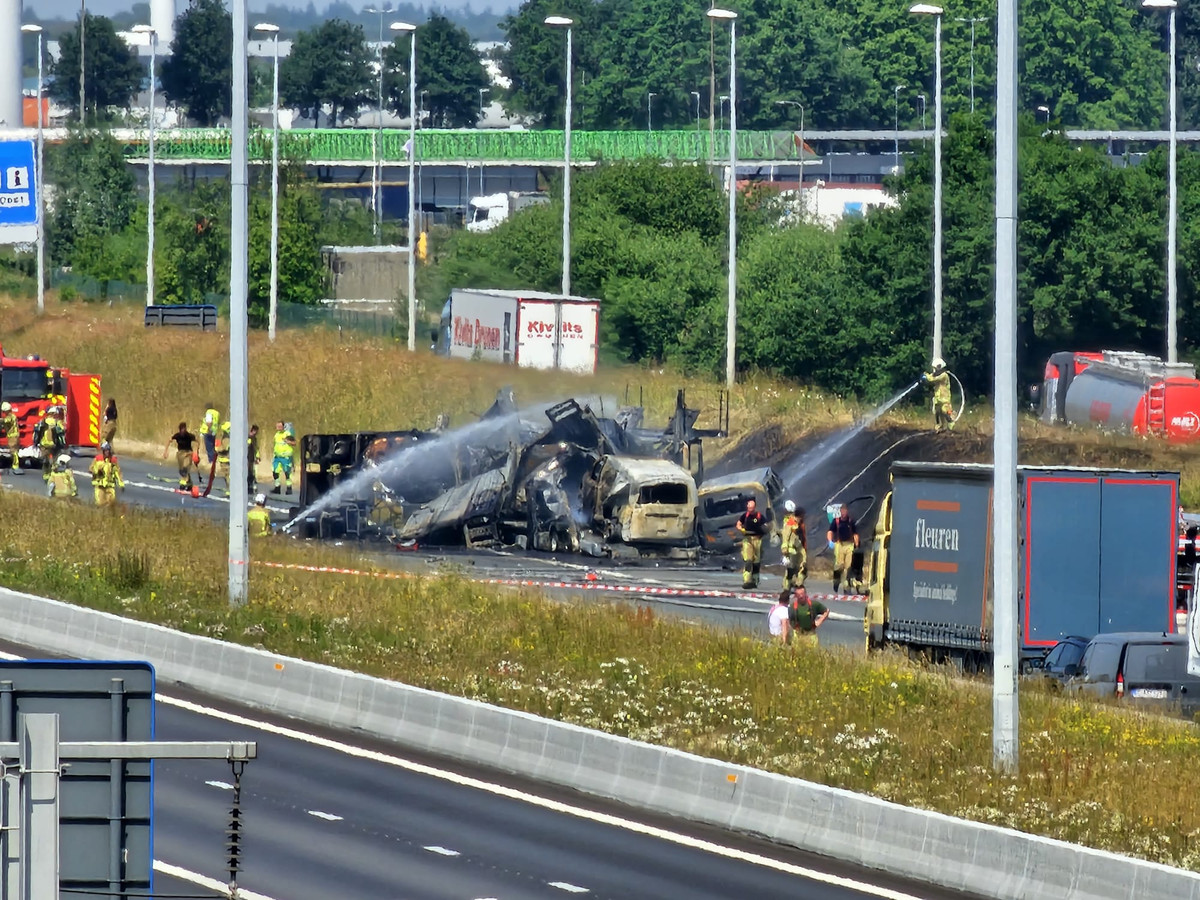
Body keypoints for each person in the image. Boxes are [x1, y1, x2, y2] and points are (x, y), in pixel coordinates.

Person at [827, 502, 860, 595]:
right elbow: (830, 532)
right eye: (842, 511)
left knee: (847, 567)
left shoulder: (851, 521)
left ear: (847, 511)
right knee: (839, 565)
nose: (843, 512)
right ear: (840, 511)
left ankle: (846, 587)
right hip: (839, 544)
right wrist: (830, 541)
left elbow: (855, 533)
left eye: (845, 510)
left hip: (849, 544)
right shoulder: (836, 521)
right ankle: (836, 581)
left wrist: (856, 544)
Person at [736, 498, 768, 589]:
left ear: (754, 508)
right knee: (748, 560)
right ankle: (747, 580)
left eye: (752, 508)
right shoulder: (744, 516)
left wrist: (765, 529)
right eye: (749, 508)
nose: (750, 510)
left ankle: (755, 580)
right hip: (747, 539)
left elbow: (766, 525)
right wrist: (741, 529)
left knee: (756, 561)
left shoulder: (759, 516)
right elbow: (738, 524)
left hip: (757, 539)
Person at [164, 421, 201, 497]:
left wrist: (196, 452)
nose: (183, 431)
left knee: (185, 468)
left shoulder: (189, 436)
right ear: (180, 429)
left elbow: (197, 442)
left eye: (184, 429)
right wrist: (165, 451)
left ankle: (183, 484)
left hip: (188, 453)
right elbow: (169, 440)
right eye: (182, 429)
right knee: (181, 470)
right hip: (180, 453)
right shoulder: (177, 436)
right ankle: (190, 484)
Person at [779, 500, 807, 591]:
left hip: (799, 548)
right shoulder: (790, 522)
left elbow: (802, 537)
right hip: (791, 549)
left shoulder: (800, 524)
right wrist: (784, 547)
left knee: (803, 568)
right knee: (791, 570)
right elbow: (786, 535)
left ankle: (798, 585)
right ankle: (787, 587)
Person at [921, 357, 954, 433]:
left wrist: (926, 376)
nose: (935, 370)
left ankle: (950, 423)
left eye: (936, 368)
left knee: (945, 410)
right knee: (937, 412)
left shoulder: (944, 375)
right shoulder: (937, 374)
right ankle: (940, 425)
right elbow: (932, 376)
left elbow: (932, 379)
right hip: (938, 397)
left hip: (945, 397)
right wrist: (926, 375)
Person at [89, 442, 125, 507]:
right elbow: (90, 469)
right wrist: (97, 471)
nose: (107, 452)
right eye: (105, 450)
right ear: (103, 451)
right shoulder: (98, 459)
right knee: (100, 503)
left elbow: (118, 473)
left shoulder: (113, 460)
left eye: (108, 450)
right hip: (99, 485)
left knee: (111, 504)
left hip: (110, 485)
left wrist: (121, 484)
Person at [33, 406, 65, 475]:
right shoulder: (57, 423)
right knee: (55, 461)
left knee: (45, 461)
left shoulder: (41, 422)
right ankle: (53, 474)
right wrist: (62, 445)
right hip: (54, 445)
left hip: (43, 444)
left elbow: (36, 433)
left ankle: (46, 474)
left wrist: (35, 443)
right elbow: (61, 434)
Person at [271, 421, 296, 495]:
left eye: (279, 426)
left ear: (283, 426)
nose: (278, 428)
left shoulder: (287, 434)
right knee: (275, 472)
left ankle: (289, 488)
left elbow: (294, 443)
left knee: (287, 473)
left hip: (286, 457)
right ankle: (277, 487)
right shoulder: (276, 435)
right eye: (277, 426)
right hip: (277, 457)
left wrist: (287, 441)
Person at [0, 401, 20, 476]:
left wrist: (1, 420)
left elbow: (6, 421)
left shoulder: (11, 417)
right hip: (12, 435)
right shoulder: (11, 416)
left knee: (14, 451)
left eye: (4, 411)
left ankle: (15, 465)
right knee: (13, 451)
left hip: (13, 436)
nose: (3, 413)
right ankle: (15, 465)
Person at [214, 420, 232, 496]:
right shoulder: (228, 437)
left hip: (226, 460)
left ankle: (230, 490)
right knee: (227, 476)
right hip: (225, 459)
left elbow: (224, 448)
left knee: (228, 476)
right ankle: (229, 489)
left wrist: (217, 449)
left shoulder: (226, 439)